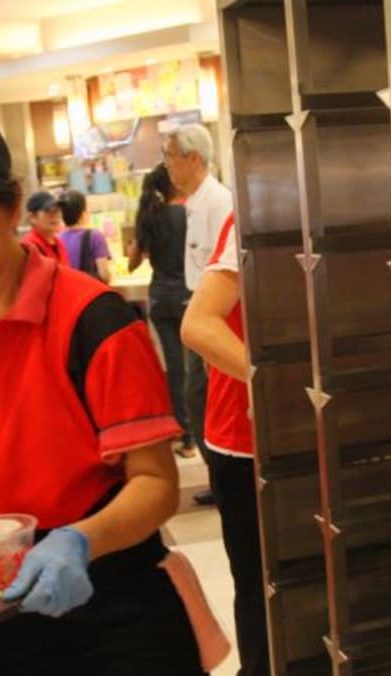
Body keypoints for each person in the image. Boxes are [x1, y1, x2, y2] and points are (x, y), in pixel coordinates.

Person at [0, 107, 202, 674]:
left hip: (112, 599)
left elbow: (154, 482)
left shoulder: (93, 320)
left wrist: (79, 540)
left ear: (9, 203)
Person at [181, 213, 268, 676]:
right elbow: (198, 325)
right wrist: (275, 387)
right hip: (246, 442)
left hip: (325, 436)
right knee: (263, 596)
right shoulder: (256, 211)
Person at [163, 123, 234, 506]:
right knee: (197, 397)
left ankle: (222, 476)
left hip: (212, 313)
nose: (167, 166)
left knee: (201, 394)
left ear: (193, 158)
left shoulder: (219, 201)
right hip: (198, 305)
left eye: (170, 156)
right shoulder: (196, 200)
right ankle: (218, 475)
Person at [128, 164, 195, 457]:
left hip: (159, 299)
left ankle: (186, 436)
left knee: (174, 369)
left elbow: (132, 262)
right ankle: (200, 431)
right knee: (195, 370)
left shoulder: (149, 217)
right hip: (187, 298)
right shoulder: (186, 213)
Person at [58, 190, 112, 283]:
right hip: (89, 293)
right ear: (83, 213)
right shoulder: (95, 236)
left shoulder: (56, 239)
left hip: (67, 293)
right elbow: (104, 276)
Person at [20, 191, 69, 264]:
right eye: (48, 210)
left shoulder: (59, 244)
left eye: (57, 209)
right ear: (32, 217)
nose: (55, 215)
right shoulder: (29, 247)